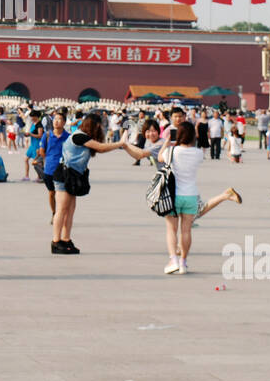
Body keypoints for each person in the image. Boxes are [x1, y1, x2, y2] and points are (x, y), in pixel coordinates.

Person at [157, 121, 241, 274]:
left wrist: (168, 143)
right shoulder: (198, 154)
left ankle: (173, 260)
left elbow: (160, 159)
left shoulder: (172, 151)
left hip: (174, 196)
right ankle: (183, 261)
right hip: (190, 195)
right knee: (186, 231)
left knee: (171, 230)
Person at [51, 112, 141, 254]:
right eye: (99, 126)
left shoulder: (83, 136)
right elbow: (101, 147)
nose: (100, 129)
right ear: (93, 125)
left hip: (72, 176)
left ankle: (66, 239)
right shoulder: (79, 136)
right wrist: (121, 143)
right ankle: (56, 242)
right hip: (64, 176)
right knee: (62, 210)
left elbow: (100, 148)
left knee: (70, 211)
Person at [37, 111, 70, 224]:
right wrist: (48, 159)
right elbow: (41, 150)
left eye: (59, 119)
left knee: (62, 194)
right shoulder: (47, 135)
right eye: (55, 119)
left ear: (64, 122)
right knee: (51, 193)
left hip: (63, 170)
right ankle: (54, 213)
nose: (56, 121)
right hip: (49, 169)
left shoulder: (68, 137)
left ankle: (61, 214)